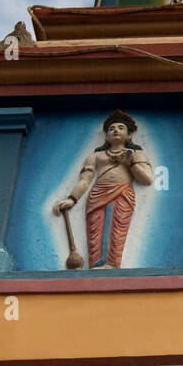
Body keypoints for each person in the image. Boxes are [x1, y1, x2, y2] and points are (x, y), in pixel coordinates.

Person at [54, 111, 153, 268]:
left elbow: (146, 179)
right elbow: (85, 180)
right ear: (106, 136)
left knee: (117, 230)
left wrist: (132, 161)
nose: (115, 130)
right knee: (96, 232)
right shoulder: (96, 156)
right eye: (111, 128)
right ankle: (96, 265)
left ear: (129, 135)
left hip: (122, 194)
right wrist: (72, 199)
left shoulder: (136, 153)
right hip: (97, 196)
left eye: (121, 128)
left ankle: (112, 264)